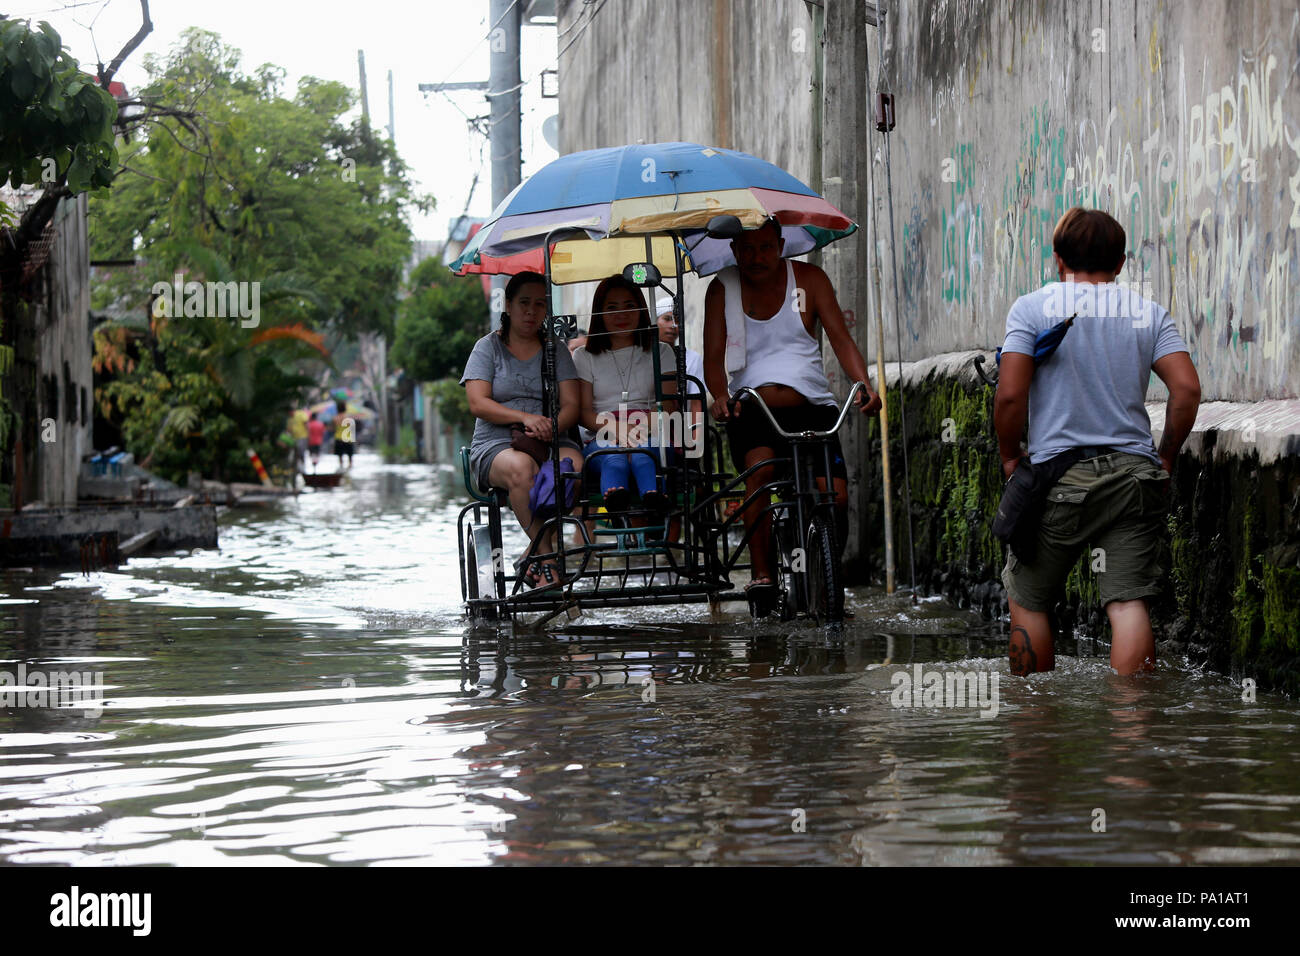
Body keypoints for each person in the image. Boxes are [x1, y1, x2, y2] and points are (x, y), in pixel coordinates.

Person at [995, 207, 1200, 677]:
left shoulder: (1031, 309)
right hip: (1133, 480)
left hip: (1059, 482)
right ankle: (1133, 730)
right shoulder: (1148, 313)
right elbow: (1186, 390)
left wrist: (1010, 456)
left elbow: (1009, 395)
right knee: (1128, 604)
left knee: (1029, 600)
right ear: (1121, 262)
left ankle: (1035, 720)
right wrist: (1164, 456)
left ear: (1057, 258)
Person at [702, 217, 881, 591]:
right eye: (747, 249)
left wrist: (862, 384)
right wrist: (720, 397)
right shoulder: (722, 288)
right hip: (751, 408)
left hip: (812, 406)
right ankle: (762, 575)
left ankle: (829, 586)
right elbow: (713, 358)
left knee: (835, 492)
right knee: (759, 475)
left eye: (766, 247)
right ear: (734, 251)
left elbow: (841, 341)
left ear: (780, 246)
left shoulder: (811, 281)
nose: (757, 257)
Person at [462, 271, 584, 585]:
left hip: (552, 438)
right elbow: (477, 403)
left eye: (540, 304)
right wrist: (525, 417)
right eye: (524, 303)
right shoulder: (487, 348)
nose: (531, 311)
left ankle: (532, 552)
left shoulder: (555, 349)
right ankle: (547, 558)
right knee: (522, 467)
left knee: (577, 467)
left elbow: (572, 403)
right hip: (497, 442)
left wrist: (552, 426)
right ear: (509, 305)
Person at [572, 275, 677, 515]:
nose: (621, 314)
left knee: (644, 452)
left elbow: (669, 407)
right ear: (599, 313)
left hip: (652, 430)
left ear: (641, 309)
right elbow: (584, 412)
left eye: (629, 306)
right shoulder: (583, 356)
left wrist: (635, 430)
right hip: (602, 432)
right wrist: (617, 429)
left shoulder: (661, 352)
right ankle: (614, 497)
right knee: (613, 456)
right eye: (612, 308)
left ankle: (653, 497)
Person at [333, 402, 355, 470]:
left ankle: (341, 468)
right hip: (348, 438)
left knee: (340, 456)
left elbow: (334, 428)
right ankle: (350, 467)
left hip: (338, 438)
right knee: (350, 456)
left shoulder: (335, 418)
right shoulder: (349, 417)